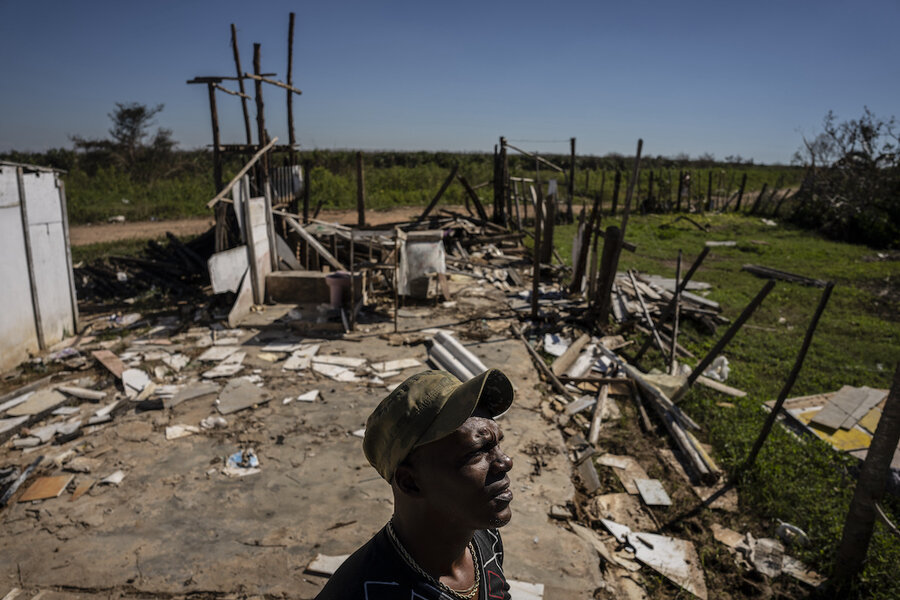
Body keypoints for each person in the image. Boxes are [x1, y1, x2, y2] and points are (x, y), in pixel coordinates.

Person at [315, 369, 515, 600]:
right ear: (410, 482)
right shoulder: (362, 591)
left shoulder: (484, 538)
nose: (505, 462)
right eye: (476, 452)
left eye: (497, 444)